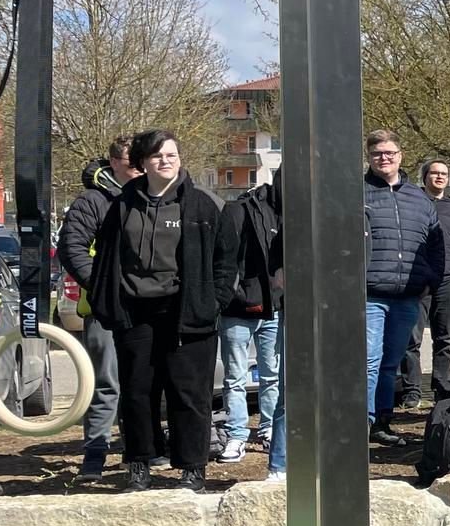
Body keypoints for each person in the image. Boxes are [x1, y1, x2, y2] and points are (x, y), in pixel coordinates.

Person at [87, 129, 234, 492]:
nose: (165, 161)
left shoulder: (204, 205)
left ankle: (192, 468)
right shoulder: (122, 206)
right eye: (156, 156)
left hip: (188, 313)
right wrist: (109, 300)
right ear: (142, 163)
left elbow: (227, 260)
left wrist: (213, 300)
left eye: (171, 154)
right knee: (138, 391)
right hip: (135, 312)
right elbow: (106, 258)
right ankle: (140, 463)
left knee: (189, 394)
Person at [56, 136, 133, 482]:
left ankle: (139, 453)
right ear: (114, 162)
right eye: (132, 163)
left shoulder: (151, 197)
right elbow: (71, 248)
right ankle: (96, 452)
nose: (140, 169)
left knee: (142, 383)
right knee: (105, 382)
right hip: (104, 308)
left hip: (147, 307)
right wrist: (103, 290)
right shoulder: (93, 201)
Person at [361, 131, 443, 446]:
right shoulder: (359, 193)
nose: (384, 158)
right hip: (370, 294)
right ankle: (363, 422)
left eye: (390, 152)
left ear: (401, 155)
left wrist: (430, 278)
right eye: (377, 153)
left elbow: (436, 243)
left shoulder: (419, 198)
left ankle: (382, 421)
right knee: (368, 361)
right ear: (369, 157)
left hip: (408, 296)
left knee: (390, 363)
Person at [214, 170, 283, 462]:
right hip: (239, 308)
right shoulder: (240, 210)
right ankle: (238, 434)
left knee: (272, 375)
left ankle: (268, 429)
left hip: (274, 306)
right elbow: (225, 259)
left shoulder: (286, 212)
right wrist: (234, 295)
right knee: (236, 378)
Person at [397, 158, 450, 406]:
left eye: (444, 174)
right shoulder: (412, 206)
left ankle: (441, 385)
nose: (439, 177)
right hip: (417, 281)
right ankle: (412, 390)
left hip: (449, 280)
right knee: (411, 338)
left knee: (445, 337)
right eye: (434, 173)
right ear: (425, 176)